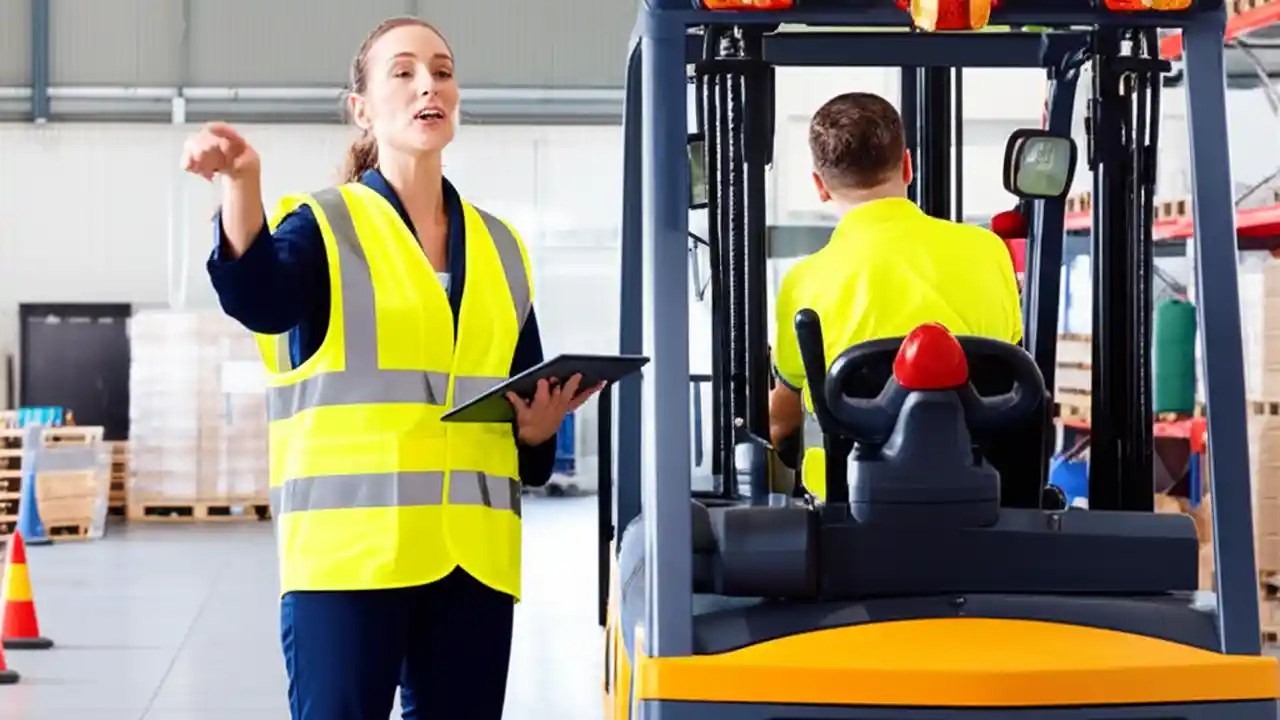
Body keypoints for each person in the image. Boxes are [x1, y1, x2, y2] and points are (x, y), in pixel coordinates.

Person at [182, 15, 600, 720]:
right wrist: (241, 185)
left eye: (441, 70)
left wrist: (537, 432)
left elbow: (521, 412)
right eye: (402, 73)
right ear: (363, 109)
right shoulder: (325, 226)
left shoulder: (502, 248)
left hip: (473, 561)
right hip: (350, 561)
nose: (427, 85)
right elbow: (258, 296)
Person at [768, 91, 1023, 501]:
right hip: (984, 497)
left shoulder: (804, 281)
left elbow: (782, 421)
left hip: (849, 509)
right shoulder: (989, 251)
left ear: (820, 186)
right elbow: (1008, 365)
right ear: (907, 164)